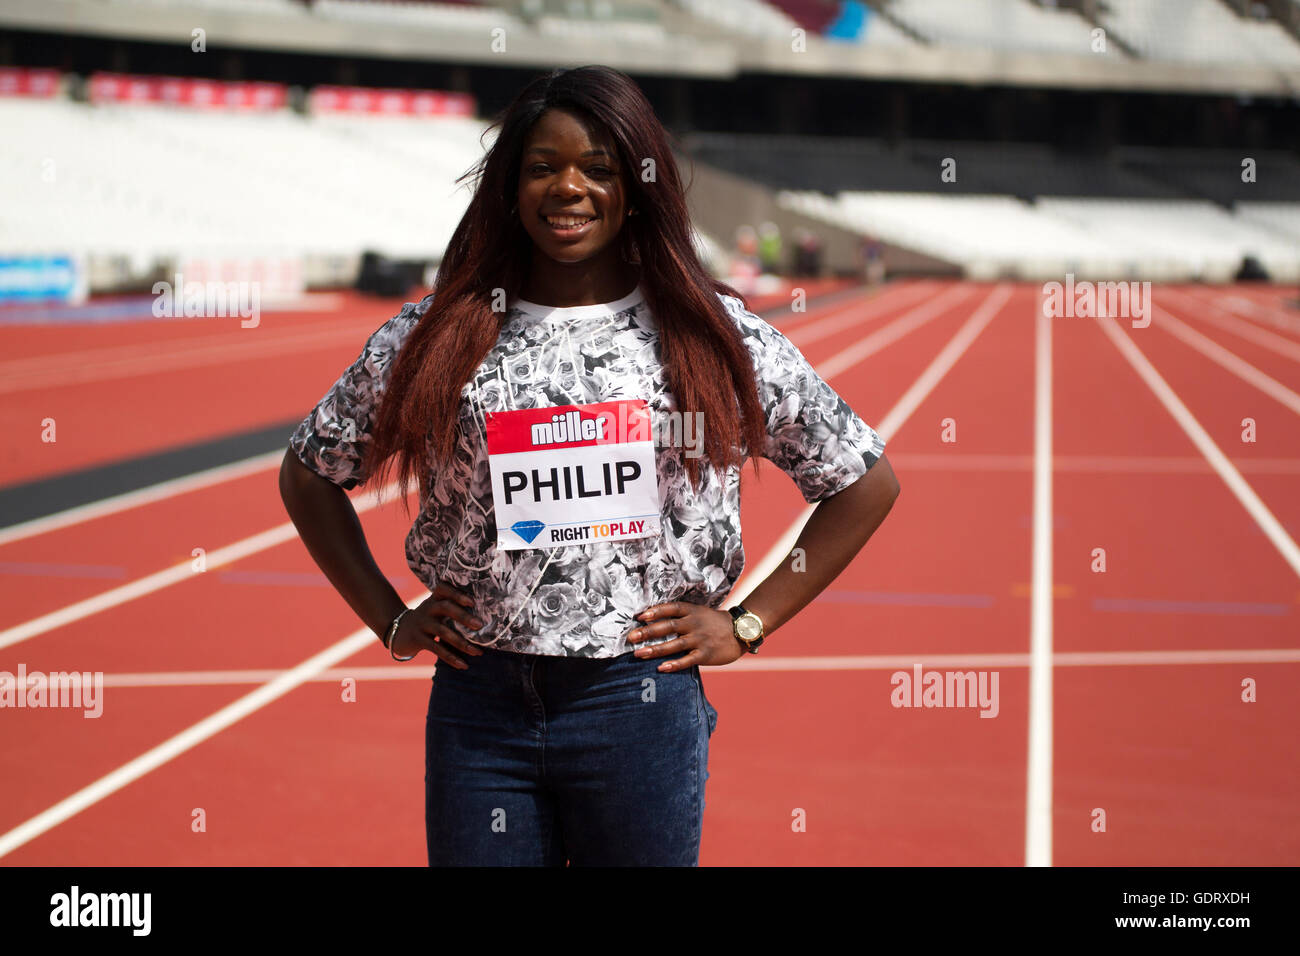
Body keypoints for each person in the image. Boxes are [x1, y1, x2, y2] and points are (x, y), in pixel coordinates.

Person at [278, 65, 900, 867]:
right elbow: (310, 472)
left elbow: (861, 479)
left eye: (598, 169)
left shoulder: (712, 337)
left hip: (636, 703)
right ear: (510, 187)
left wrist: (747, 623)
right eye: (542, 167)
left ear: (638, 188)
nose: (568, 188)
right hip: (481, 704)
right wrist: (390, 619)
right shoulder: (435, 334)